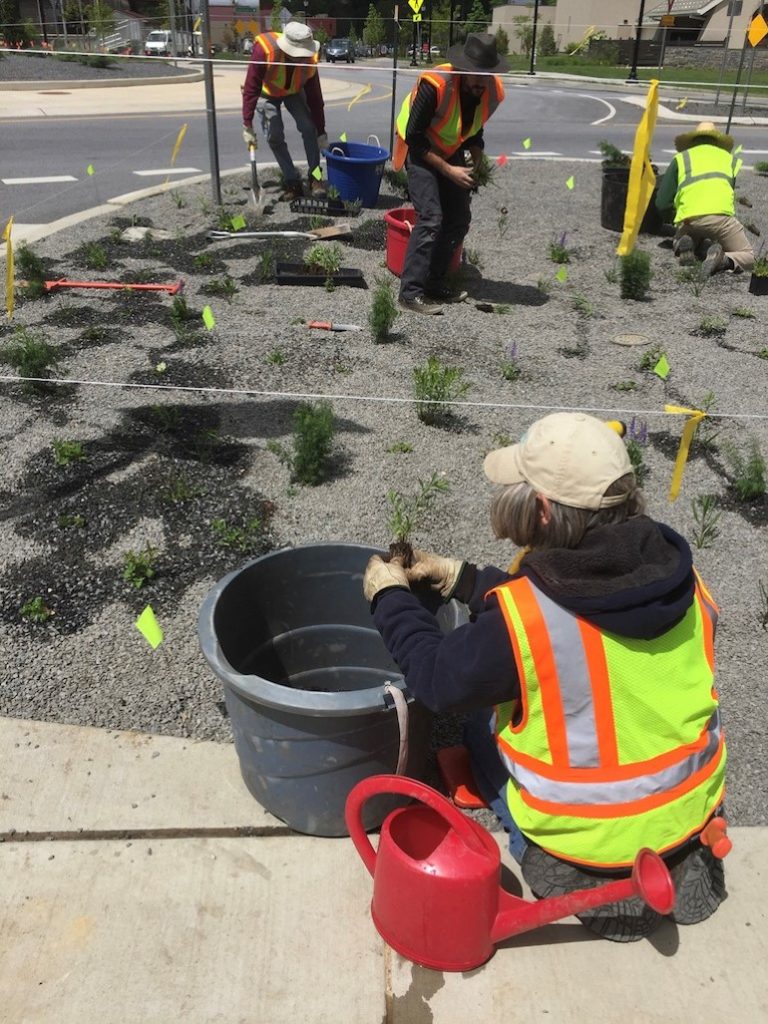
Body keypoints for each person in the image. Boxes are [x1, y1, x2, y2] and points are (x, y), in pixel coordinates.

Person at [363, 413, 728, 942]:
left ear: (540, 509)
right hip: (690, 806)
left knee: (480, 724)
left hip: (585, 838)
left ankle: (584, 877)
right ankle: (680, 857)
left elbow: (439, 679)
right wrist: (463, 578)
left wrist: (390, 598)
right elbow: (577, 599)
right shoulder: (683, 581)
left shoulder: (525, 623)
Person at [391, 33, 507, 315]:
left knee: (458, 219)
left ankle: (434, 282)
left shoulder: (491, 92)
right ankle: (410, 293)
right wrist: (449, 170)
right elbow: (415, 137)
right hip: (417, 147)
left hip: (448, 148)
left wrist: (477, 160)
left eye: (486, 75)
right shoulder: (436, 84)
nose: (481, 82)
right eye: (476, 74)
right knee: (431, 217)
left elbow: (474, 131)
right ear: (462, 69)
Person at [242, 21, 329, 201]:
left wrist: (321, 131)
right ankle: (292, 182)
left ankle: (315, 178)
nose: (302, 58)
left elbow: (315, 98)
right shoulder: (264, 50)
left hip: (294, 92)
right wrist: (247, 125)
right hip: (267, 93)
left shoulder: (310, 60)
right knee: (274, 135)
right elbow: (251, 88)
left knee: (309, 128)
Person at [655, 120, 753, 277]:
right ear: (717, 141)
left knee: (683, 235)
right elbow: (728, 192)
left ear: (692, 141)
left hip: (690, 219)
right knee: (748, 256)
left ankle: (684, 245)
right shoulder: (729, 160)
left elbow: (662, 203)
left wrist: (676, 218)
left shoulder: (681, 159)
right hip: (721, 220)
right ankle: (724, 260)